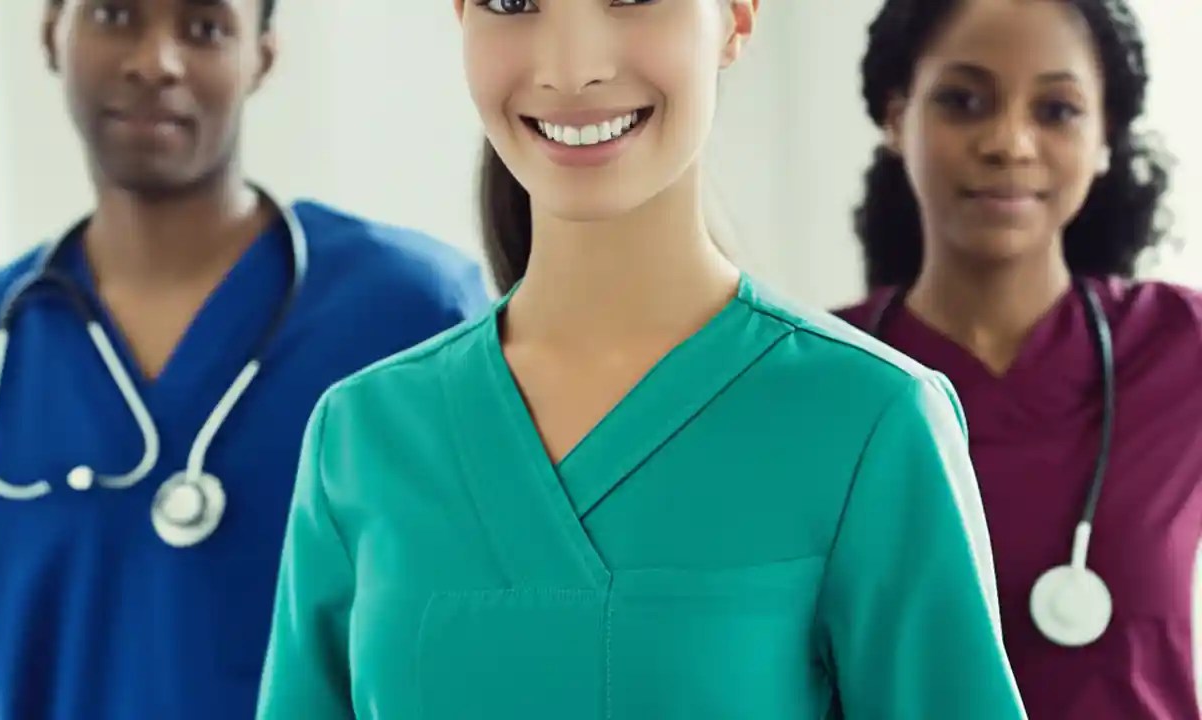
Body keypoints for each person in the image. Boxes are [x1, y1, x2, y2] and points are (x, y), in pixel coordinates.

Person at [256, 0, 1027, 717]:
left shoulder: (871, 421)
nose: (570, 66)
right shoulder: (363, 436)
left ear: (735, 16)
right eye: (513, 1)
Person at [0, 1, 490, 718]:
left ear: (262, 57)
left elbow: (500, 616)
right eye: (115, 13)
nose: (156, 61)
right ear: (50, 34)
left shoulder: (416, 313)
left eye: (205, 28)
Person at [834, 0, 1199, 718]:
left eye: (1057, 110)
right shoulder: (815, 376)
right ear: (895, 116)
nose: (1009, 142)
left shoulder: (1182, 349)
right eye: (964, 101)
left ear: (1105, 138)